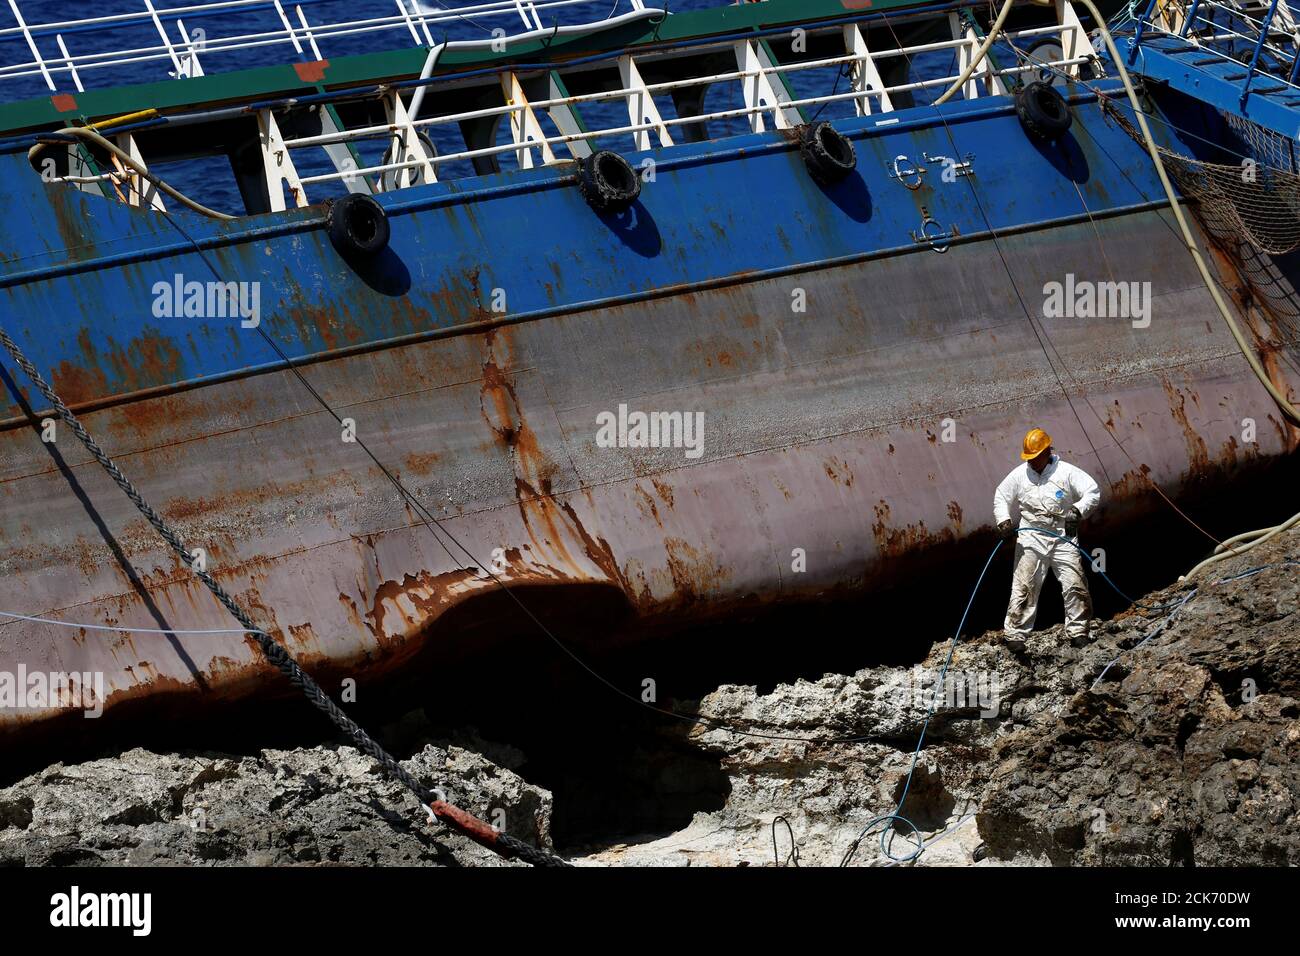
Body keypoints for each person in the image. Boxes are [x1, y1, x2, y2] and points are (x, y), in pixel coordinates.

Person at [993, 428, 1100, 644]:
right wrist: (1003, 520)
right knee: (1025, 584)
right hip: (1031, 534)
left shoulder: (1067, 472)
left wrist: (1077, 511)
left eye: (1035, 457)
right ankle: (1015, 635)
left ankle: (1078, 631)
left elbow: (1092, 491)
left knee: (1074, 583)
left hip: (1063, 534)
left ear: (1047, 452)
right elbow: (1001, 496)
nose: (1031, 462)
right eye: (1028, 458)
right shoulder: (1019, 475)